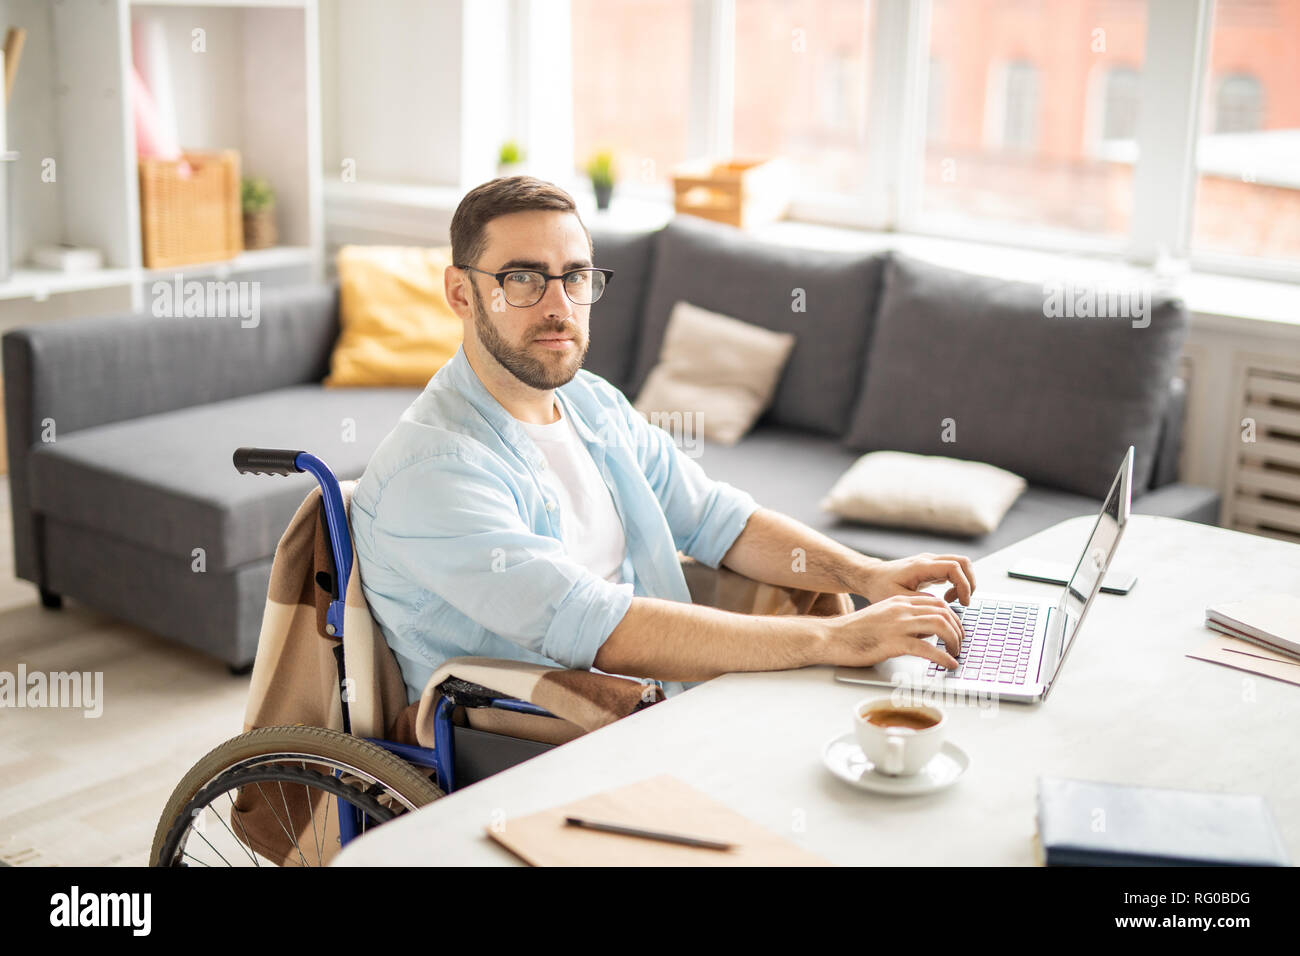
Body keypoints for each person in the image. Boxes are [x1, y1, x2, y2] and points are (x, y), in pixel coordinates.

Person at [351, 176, 974, 704]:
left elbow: (716, 520)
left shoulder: (592, 403)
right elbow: (593, 624)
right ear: (461, 293)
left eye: (575, 276)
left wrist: (867, 574)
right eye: (522, 279)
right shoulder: (432, 470)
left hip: (653, 698)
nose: (559, 305)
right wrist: (839, 640)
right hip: (536, 738)